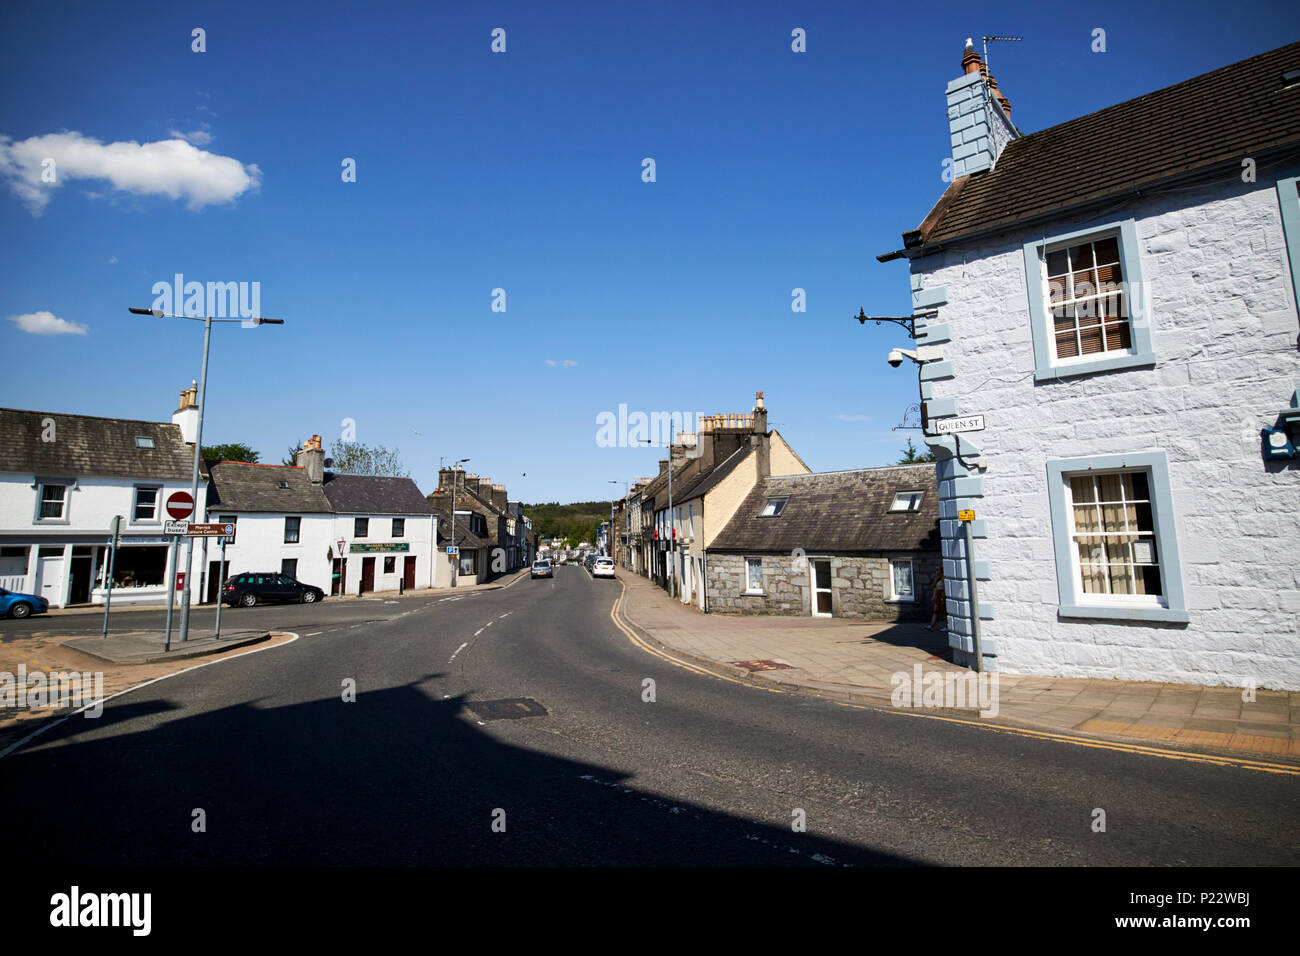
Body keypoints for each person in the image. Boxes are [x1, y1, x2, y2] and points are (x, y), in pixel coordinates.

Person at [928, 565, 946, 630]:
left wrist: (942, 598)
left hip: (941, 595)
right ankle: (932, 625)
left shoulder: (943, 578)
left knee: (944, 612)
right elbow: (933, 586)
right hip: (937, 595)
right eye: (936, 569)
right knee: (935, 611)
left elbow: (944, 589)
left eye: (938, 569)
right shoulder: (938, 578)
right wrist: (936, 579)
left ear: (941, 571)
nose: (936, 571)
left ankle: (947, 626)